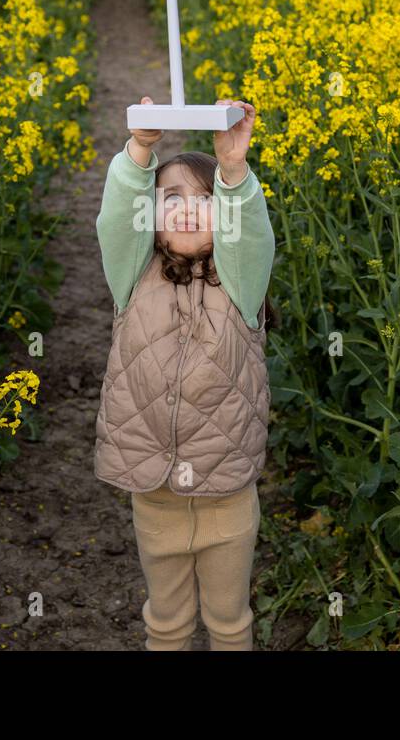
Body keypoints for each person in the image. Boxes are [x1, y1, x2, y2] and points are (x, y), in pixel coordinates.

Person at [94, 95, 277, 650]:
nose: (187, 208)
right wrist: (141, 147)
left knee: (229, 621)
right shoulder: (133, 276)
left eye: (204, 200)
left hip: (226, 496)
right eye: (170, 198)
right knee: (166, 622)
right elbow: (115, 219)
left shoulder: (240, 284)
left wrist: (233, 169)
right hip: (155, 494)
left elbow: (250, 233)